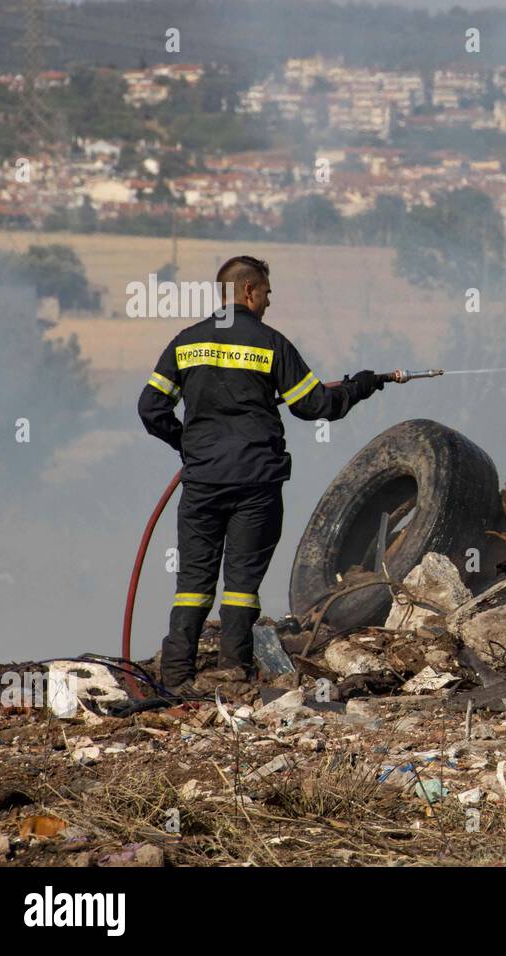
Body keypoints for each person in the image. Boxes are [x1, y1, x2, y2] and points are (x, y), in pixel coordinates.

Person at [138, 255, 387, 695]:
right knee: (241, 583)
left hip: (202, 483)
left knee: (192, 583)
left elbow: (150, 408)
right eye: (267, 293)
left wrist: (187, 445)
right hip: (255, 485)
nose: (269, 302)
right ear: (249, 291)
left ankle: (176, 674)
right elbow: (314, 405)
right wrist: (361, 386)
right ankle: (233, 669)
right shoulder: (270, 344)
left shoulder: (186, 342)